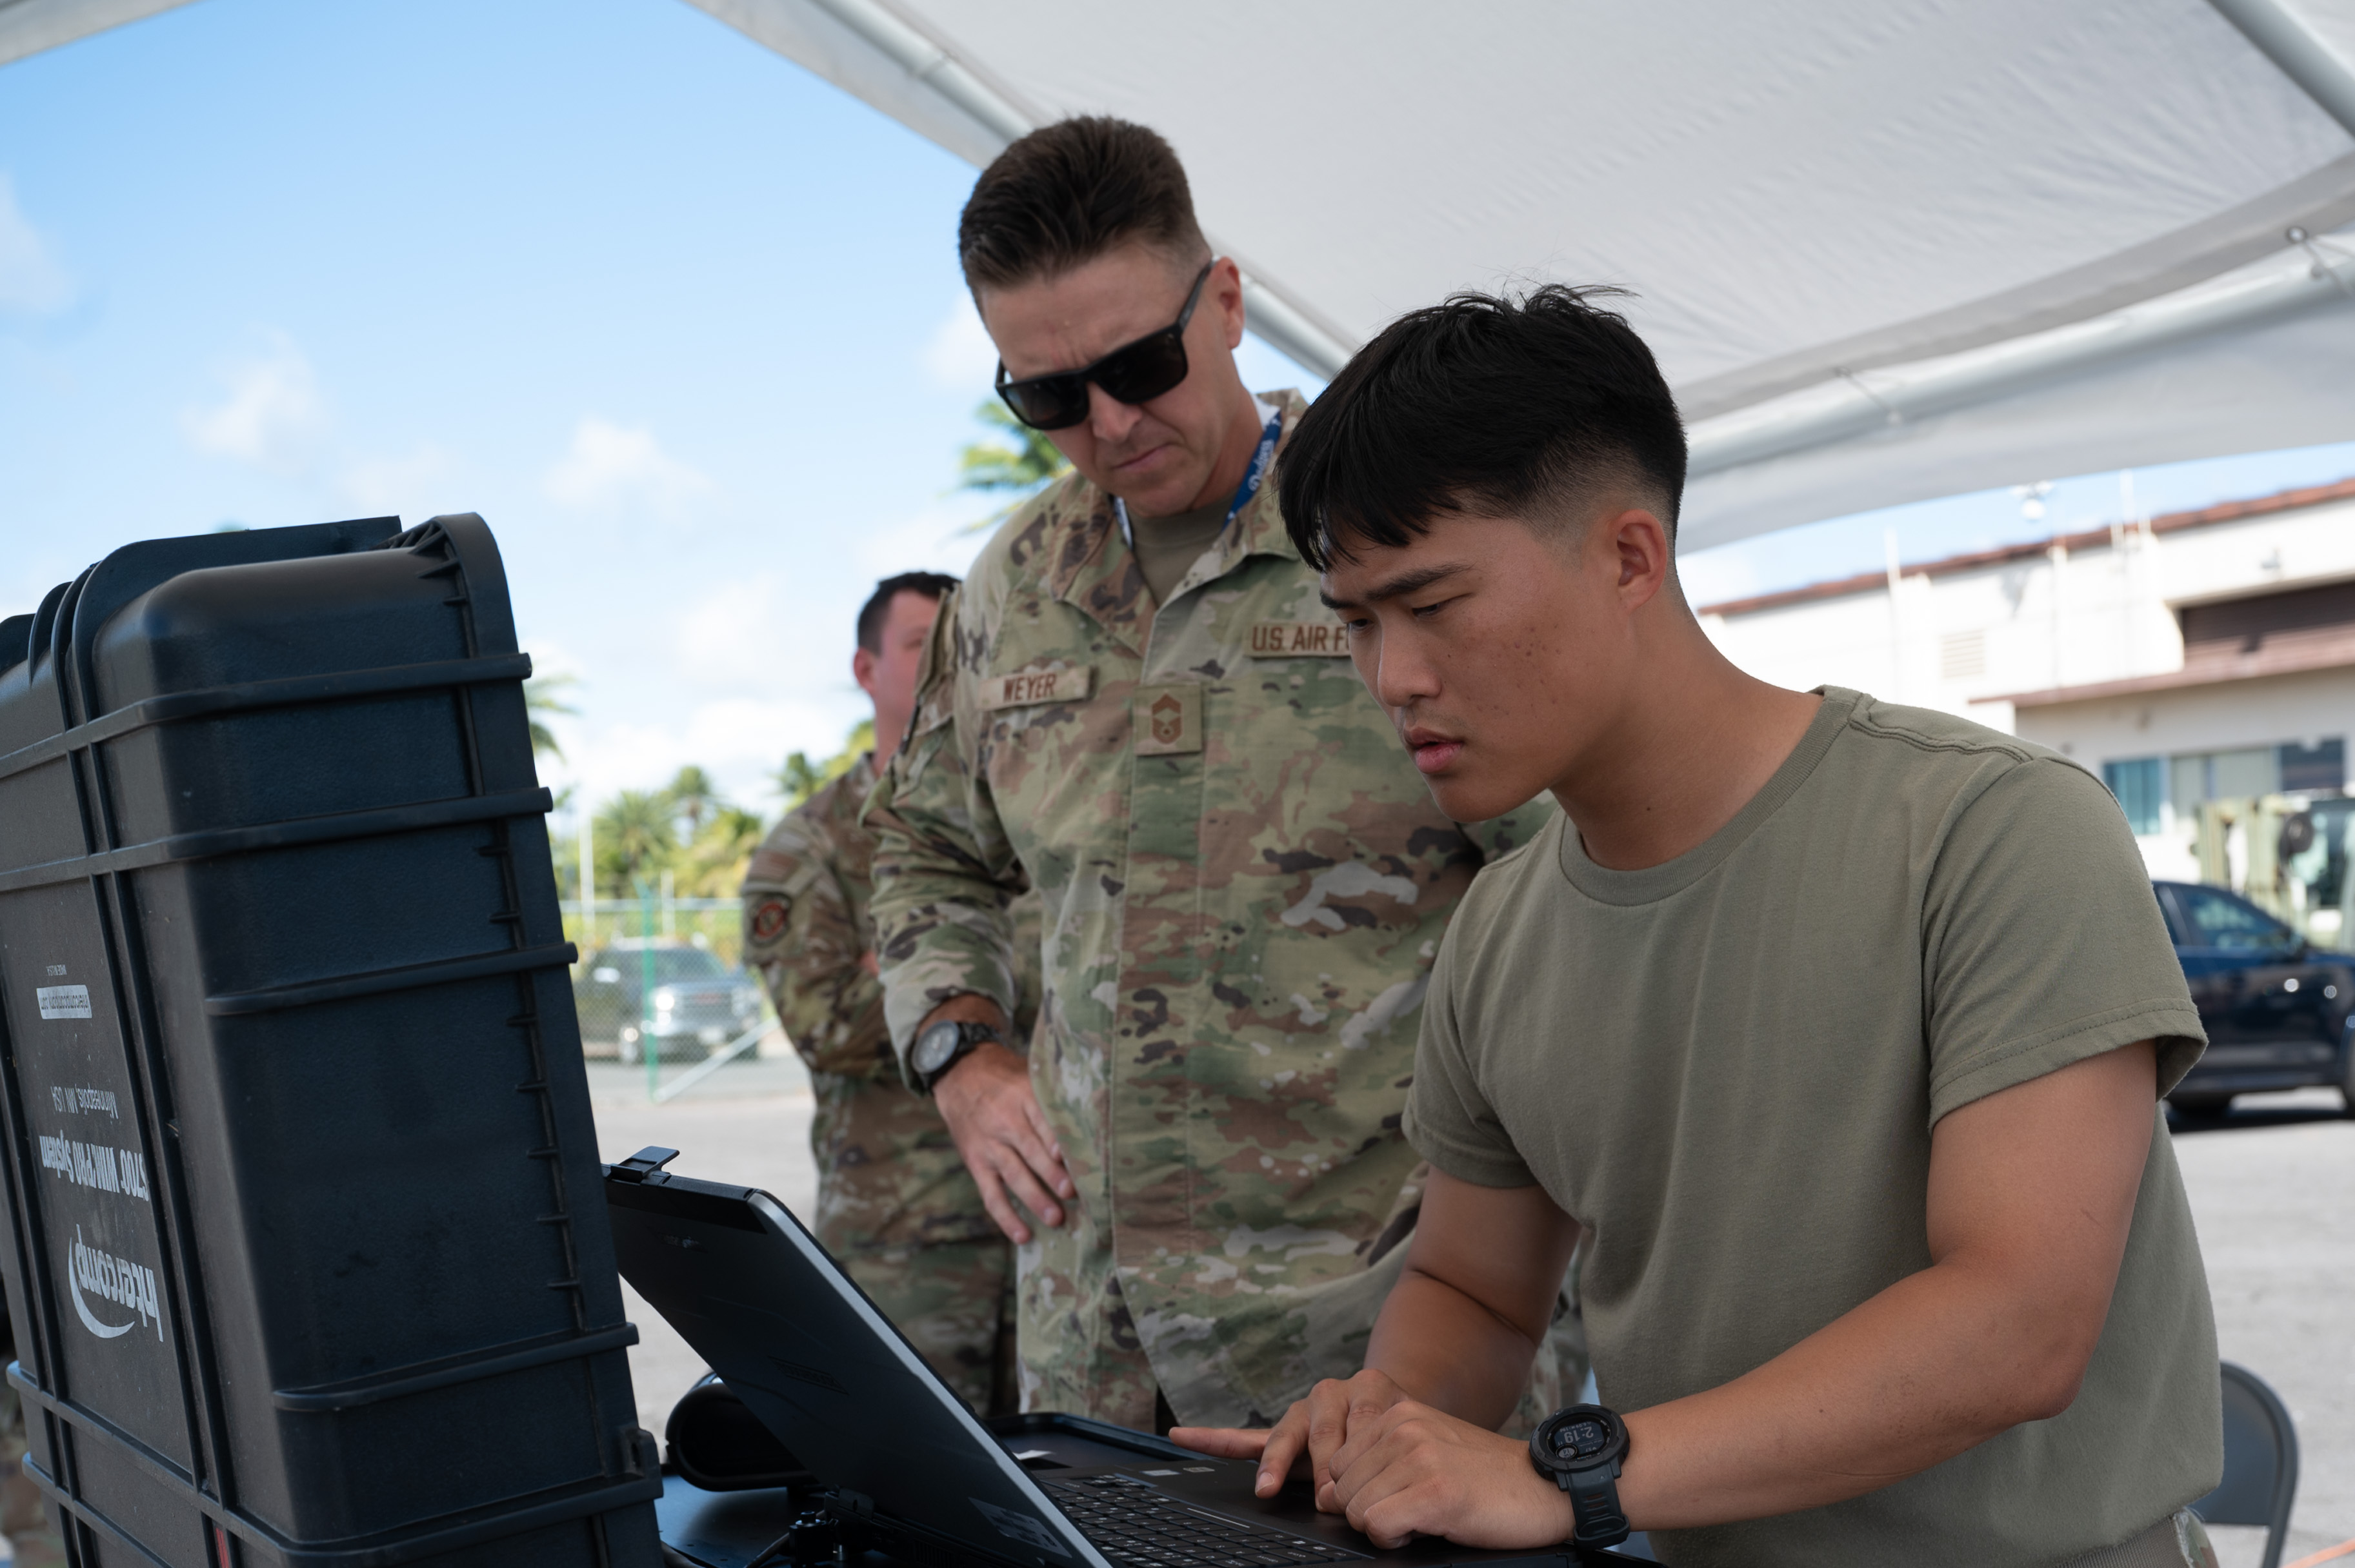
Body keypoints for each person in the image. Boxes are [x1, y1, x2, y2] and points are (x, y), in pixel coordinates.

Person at [1174, 285, 2225, 1568]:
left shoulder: (1992, 829)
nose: (1393, 676)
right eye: (1357, 622)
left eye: (1432, 604)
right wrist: (1389, 1423)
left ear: (1628, 555)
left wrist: (1579, 1476)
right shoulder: (1501, 929)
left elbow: (2017, 1321)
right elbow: (1473, 1290)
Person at [865, 117, 1561, 1434]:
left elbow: (1582, 865)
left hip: (1389, 1325)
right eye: (1050, 397)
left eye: (1141, 362)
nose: (1112, 423)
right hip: (1093, 1346)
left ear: (1226, 302)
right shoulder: (1008, 592)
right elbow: (924, 849)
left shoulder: (1405, 537)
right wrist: (960, 1048)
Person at [741, 571, 1041, 1417]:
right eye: (921, 647)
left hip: (1051, 1229)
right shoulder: (809, 848)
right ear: (866, 671)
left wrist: (907, 962)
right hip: (903, 1247)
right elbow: (829, 1027)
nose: (949, 667)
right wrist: (963, 977)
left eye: (963, 646)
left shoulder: (1039, 817)